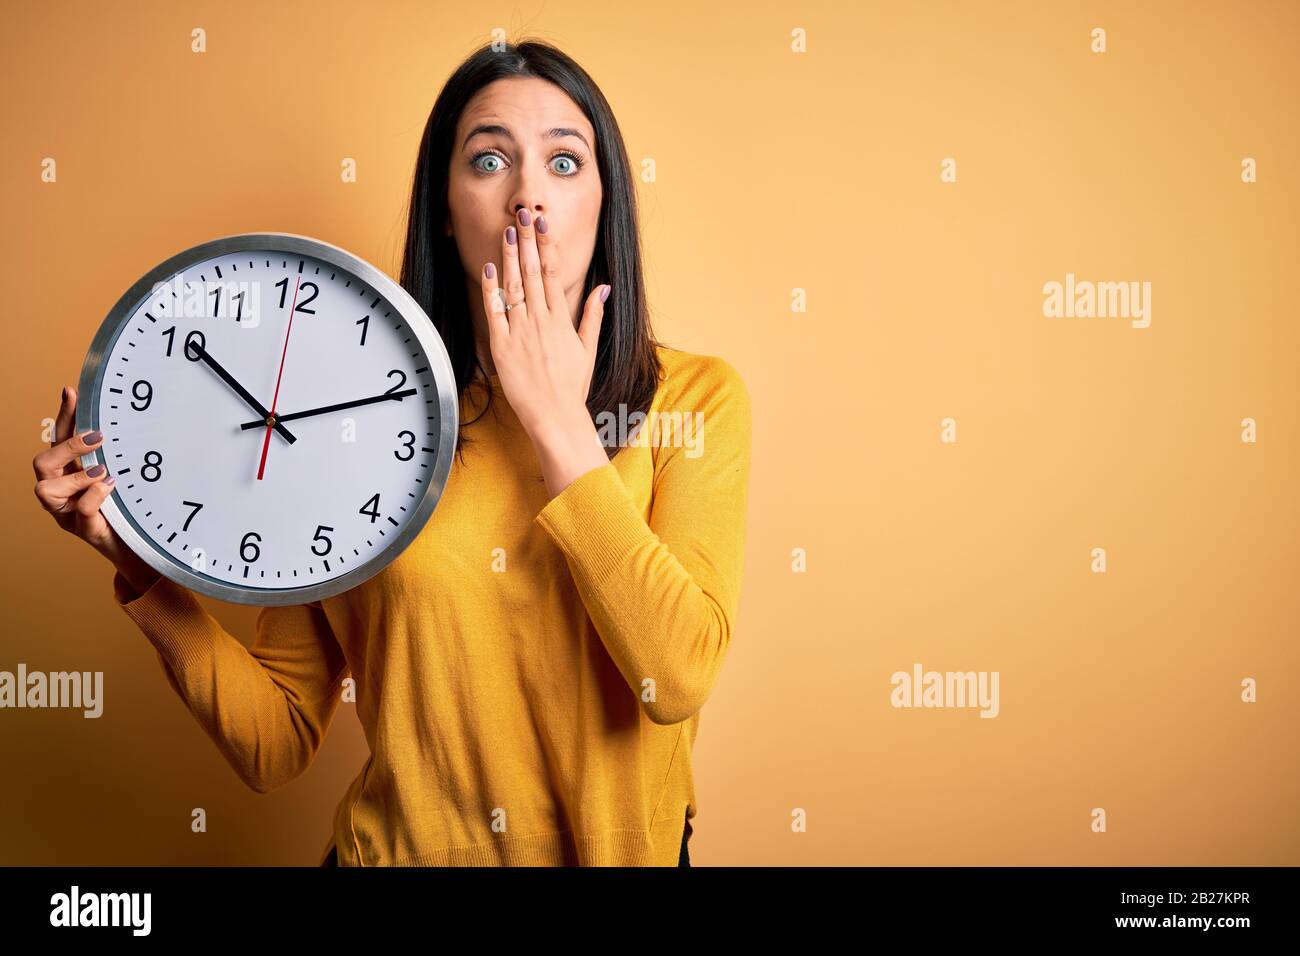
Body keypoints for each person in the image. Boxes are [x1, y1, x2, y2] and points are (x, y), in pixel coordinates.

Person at [32, 39, 748, 867]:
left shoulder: (693, 402)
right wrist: (140, 563)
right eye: (488, 160)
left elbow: (679, 675)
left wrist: (556, 422)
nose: (528, 199)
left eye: (562, 161)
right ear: (446, 209)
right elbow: (276, 743)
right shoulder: (356, 426)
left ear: (604, 200)